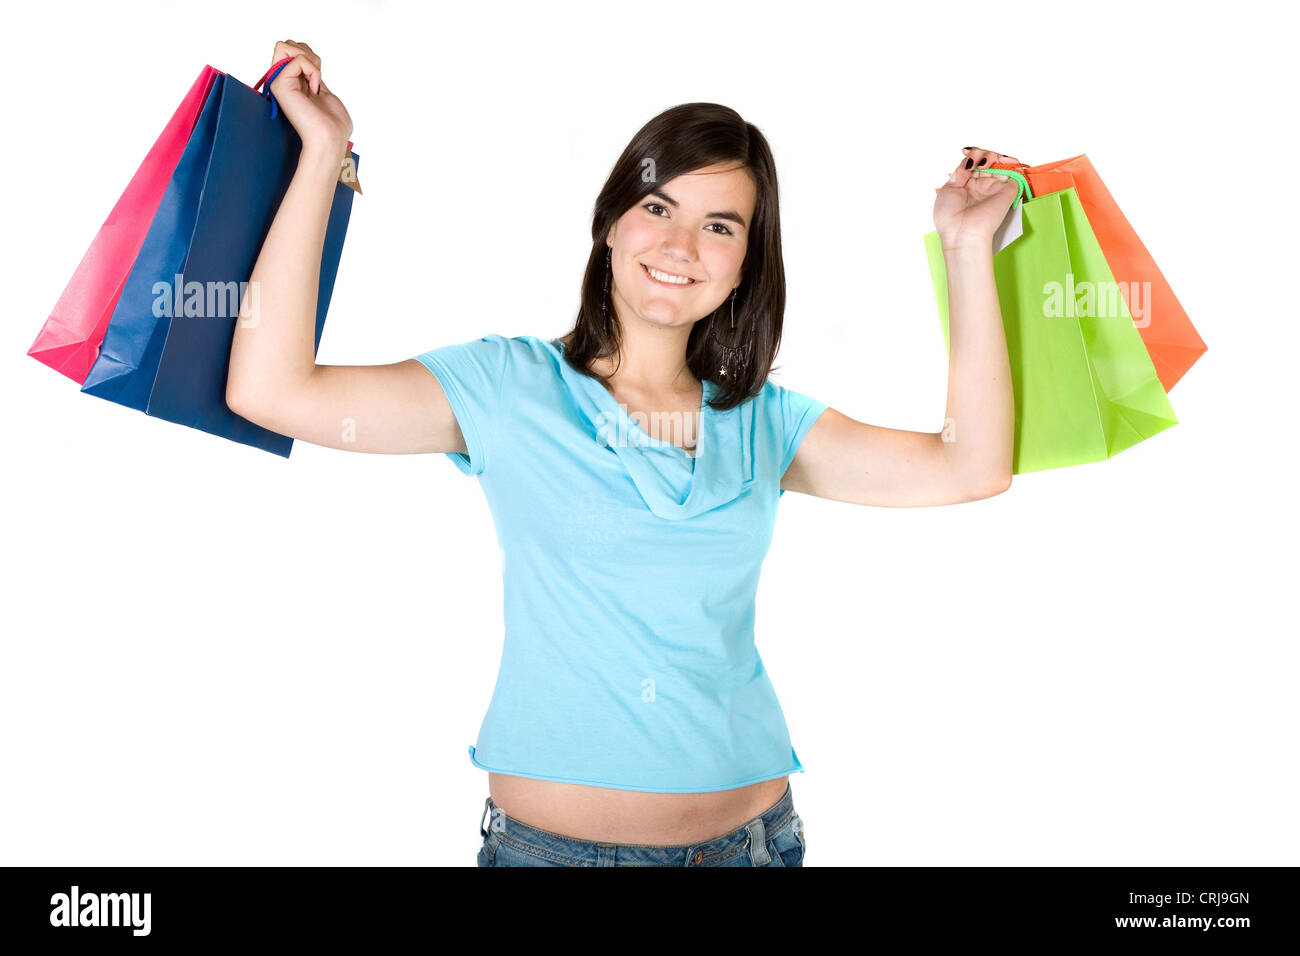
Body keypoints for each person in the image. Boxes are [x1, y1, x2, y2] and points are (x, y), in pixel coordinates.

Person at [227, 40, 1018, 867]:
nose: (681, 246)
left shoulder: (766, 424)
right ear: (609, 223)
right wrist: (324, 156)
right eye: (657, 208)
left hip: (752, 845)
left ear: (745, 266)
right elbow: (272, 391)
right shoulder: (506, 386)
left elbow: (970, 467)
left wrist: (966, 251)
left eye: (720, 226)